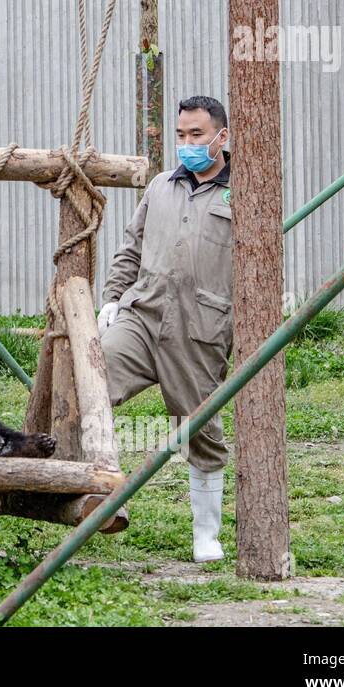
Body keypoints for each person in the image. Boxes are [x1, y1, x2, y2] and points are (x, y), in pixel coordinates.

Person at [98, 95, 232, 562]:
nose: (187, 144)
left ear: (222, 137)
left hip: (200, 328)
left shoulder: (245, 191)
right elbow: (130, 247)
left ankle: (206, 533)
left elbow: (261, 267)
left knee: (199, 427)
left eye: (197, 135)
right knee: (90, 385)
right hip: (142, 314)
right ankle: (100, 489)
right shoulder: (160, 186)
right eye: (180, 135)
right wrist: (112, 299)